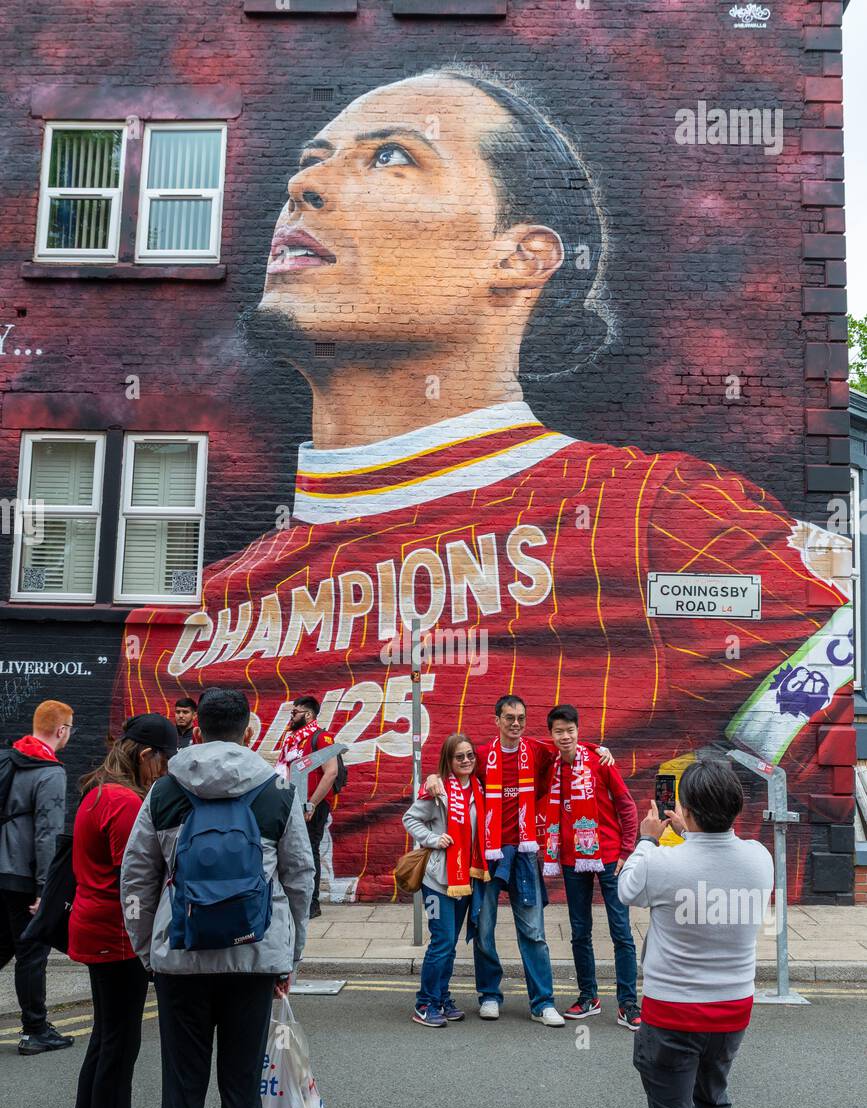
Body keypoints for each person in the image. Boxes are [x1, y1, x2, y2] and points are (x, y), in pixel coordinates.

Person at [116, 67, 851, 902]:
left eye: (389, 157)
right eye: (311, 157)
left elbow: (820, 765)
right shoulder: (182, 618)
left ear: (519, 257)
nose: (303, 184)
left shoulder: (663, 517)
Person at [120, 687, 314, 1108]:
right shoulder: (275, 788)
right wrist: (288, 957)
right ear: (250, 726)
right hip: (253, 962)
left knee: (182, 1091)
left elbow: (137, 878)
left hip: (179, 962)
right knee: (238, 1090)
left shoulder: (165, 789)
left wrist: (147, 952)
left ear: (196, 728)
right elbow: (300, 878)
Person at [616, 759, 773, 1108]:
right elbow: (716, 855)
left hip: (673, 1013)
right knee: (715, 1095)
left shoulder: (661, 862)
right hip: (732, 1010)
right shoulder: (759, 859)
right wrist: (687, 827)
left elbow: (626, 890)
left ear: (683, 808)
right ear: (736, 808)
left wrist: (647, 837)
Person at [57, 714, 178, 1108]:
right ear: (147, 756)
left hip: (95, 927)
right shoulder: (127, 803)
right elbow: (139, 879)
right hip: (116, 937)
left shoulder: (99, 791)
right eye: (165, 762)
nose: (166, 772)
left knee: (103, 1052)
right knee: (117, 1056)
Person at [541, 704, 640, 1030]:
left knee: (621, 931)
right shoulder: (552, 765)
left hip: (610, 857)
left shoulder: (600, 762)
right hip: (571, 859)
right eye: (559, 731)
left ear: (578, 730)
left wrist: (627, 850)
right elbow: (521, 741)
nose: (565, 736)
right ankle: (588, 997)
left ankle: (627, 1003)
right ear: (552, 734)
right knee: (579, 931)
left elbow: (626, 805)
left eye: (570, 730)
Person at [0, 699, 74, 1055]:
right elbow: (48, 833)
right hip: (23, 875)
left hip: (0, 869)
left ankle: (36, 1025)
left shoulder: (7, 758)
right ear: (62, 731)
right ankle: (34, 1030)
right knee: (32, 951)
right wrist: (46, 888)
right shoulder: (49, 771)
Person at [402, 733, 487, 1027]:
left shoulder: (479, 789)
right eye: (459, 756)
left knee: (450, 945)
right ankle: (425, 1003)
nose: (466, 760)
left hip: (466, 879)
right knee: (441, 941)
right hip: (438, 881)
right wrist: (433, 839)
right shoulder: (438, 792)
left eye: (469, 755)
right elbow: (410, 819)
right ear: (448, 761)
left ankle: (441, 997)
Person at [275, 695, 338, 919]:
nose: (291, 716)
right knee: (293, 851)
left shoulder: (322, 737)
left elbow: (331, 772)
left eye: (295, 712)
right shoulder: (293, 740)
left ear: (308, 715)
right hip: (291, 802)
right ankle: (297, 898)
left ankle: (312, 903)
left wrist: (311, 803)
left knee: (309, 851)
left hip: (313, 805)